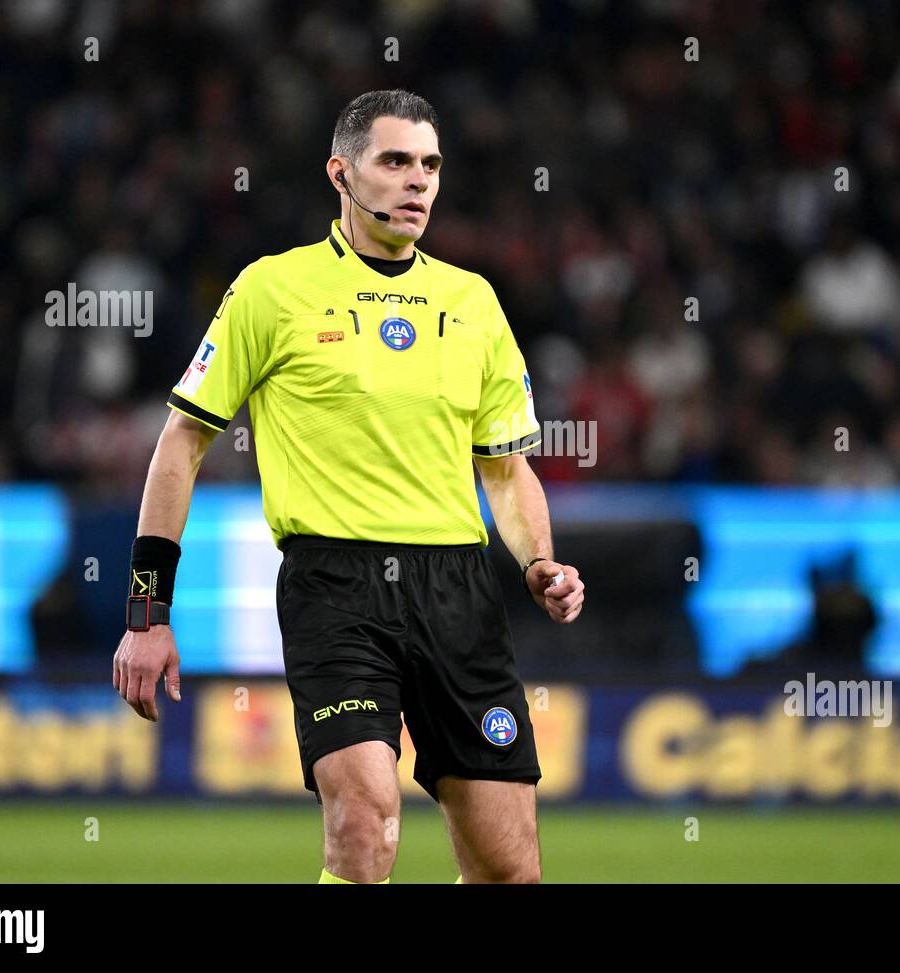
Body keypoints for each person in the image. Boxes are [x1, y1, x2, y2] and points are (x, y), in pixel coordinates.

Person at [112, 89, 584, 884]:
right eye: (395, 161)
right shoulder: (271, 289)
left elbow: (504, 466)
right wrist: (145, 611)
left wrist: (538, 559)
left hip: (459, 593)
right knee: (364, 826)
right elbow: (181, 441)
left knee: (510, 867)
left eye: (430, 164)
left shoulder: (473, 302)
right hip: (335, 586)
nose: (418, 182)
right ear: (341, 172)